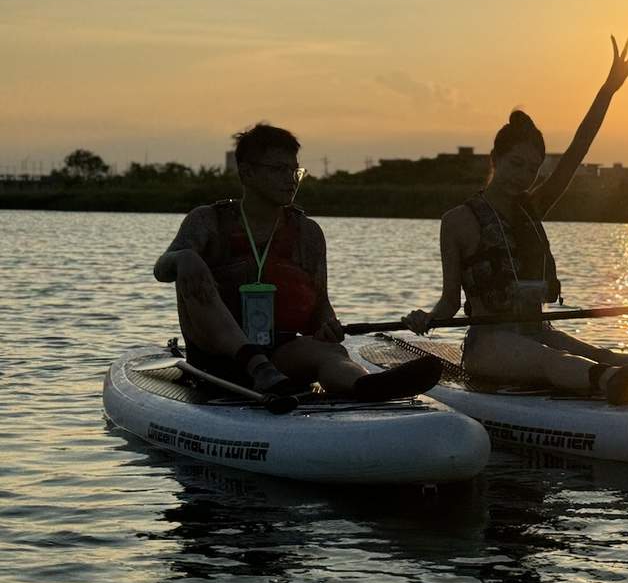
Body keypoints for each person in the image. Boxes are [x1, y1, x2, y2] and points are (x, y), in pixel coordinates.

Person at [404, 37, 628, 405]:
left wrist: (608, 90)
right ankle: (613, 383)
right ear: (495, 159)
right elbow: (449, 302)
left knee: (603, 353)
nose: (523, 177)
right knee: (552, 360)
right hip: (489, 344)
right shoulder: (457, 221)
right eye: (515, 165)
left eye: (532, 169)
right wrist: (427, 317)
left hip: (536, 331)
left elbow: (578, 148)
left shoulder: (532, 208)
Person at [154, 123, 443, 399]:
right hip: (216, 359)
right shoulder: (206, 221)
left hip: (280, 359)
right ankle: (254, 363)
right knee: (189, 266)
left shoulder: (308, 233)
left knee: (331, 353)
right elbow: (161, 270)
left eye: (295, 170)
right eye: (279, 170)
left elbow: (320, 305)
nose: (290, 179)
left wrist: (327, 325)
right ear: (247, 173)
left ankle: (365, 385)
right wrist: (183, 257)